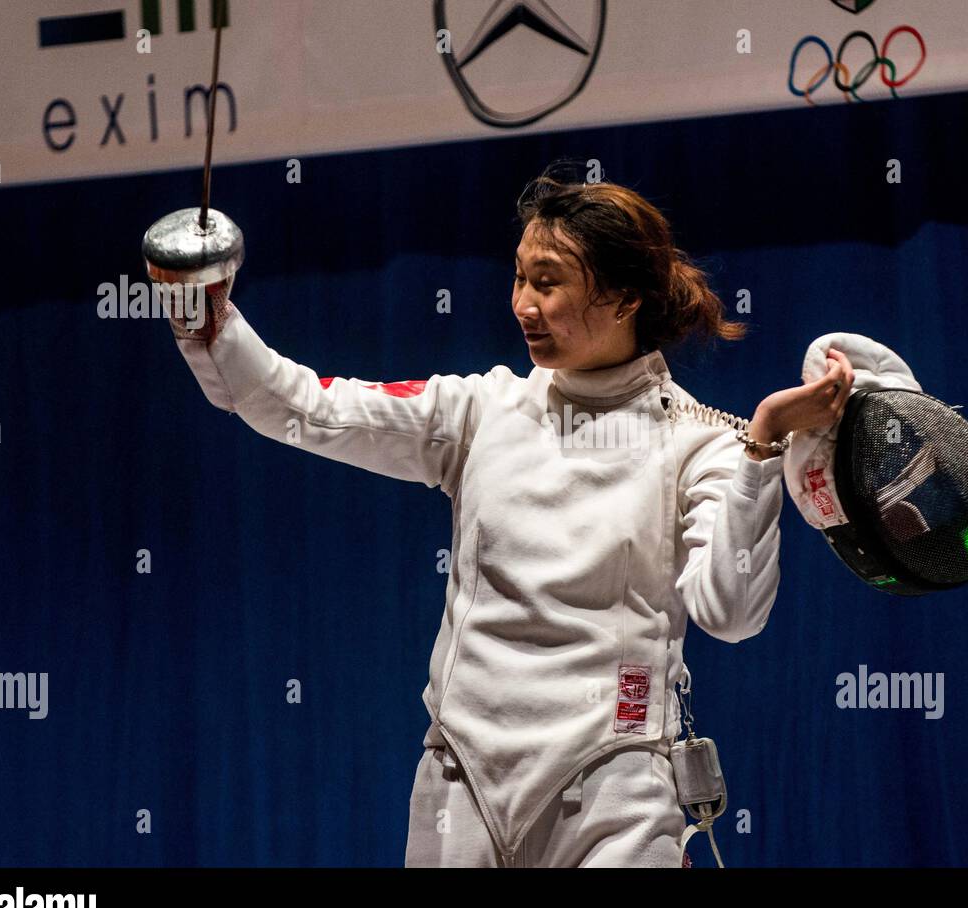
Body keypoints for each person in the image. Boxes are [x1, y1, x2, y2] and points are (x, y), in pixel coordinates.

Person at [167, 164, 855, 867]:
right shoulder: (480, 411)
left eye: (548, 282)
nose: (523, 303)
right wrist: (207, 314)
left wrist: (763, 446)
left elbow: (731, 611)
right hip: (462, 782)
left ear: (621, 297)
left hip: (614, 792)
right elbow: (304, 407)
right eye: (520, 277)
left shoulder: (700, 443)